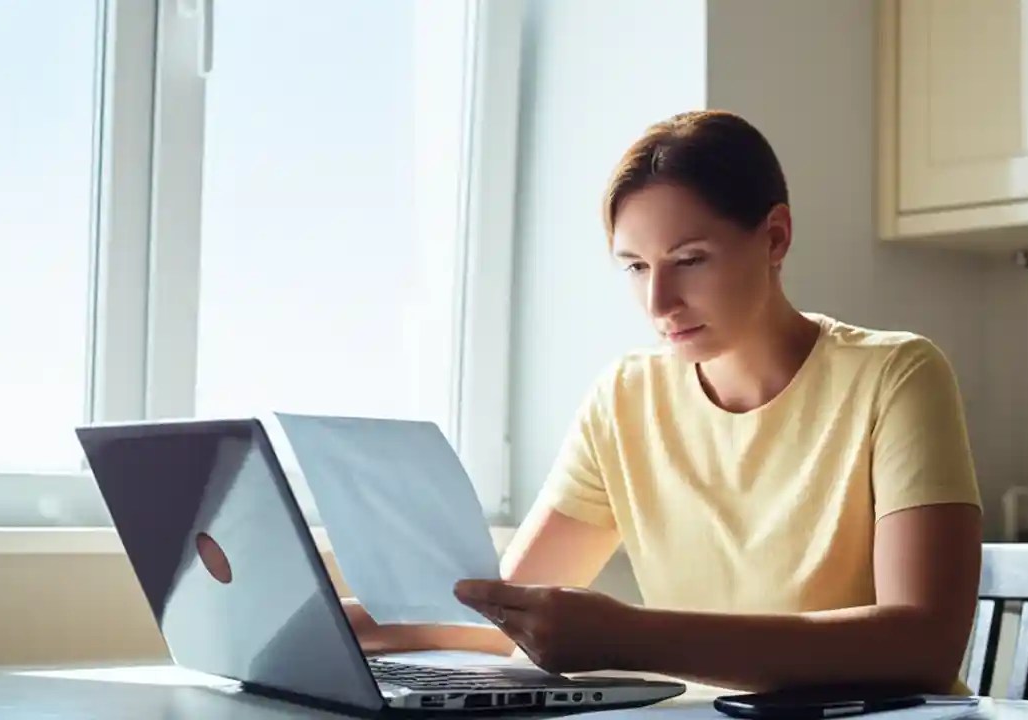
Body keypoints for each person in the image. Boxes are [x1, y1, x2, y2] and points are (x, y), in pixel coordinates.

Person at [344, 110, 982, 694]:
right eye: (636, 267)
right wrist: (334, 624)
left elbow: (924, 644)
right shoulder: (625, 398)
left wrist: (629, 636)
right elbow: (506, 612)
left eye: (691, 259)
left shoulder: (897, 375)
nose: (659, 304)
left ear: (776, 237)